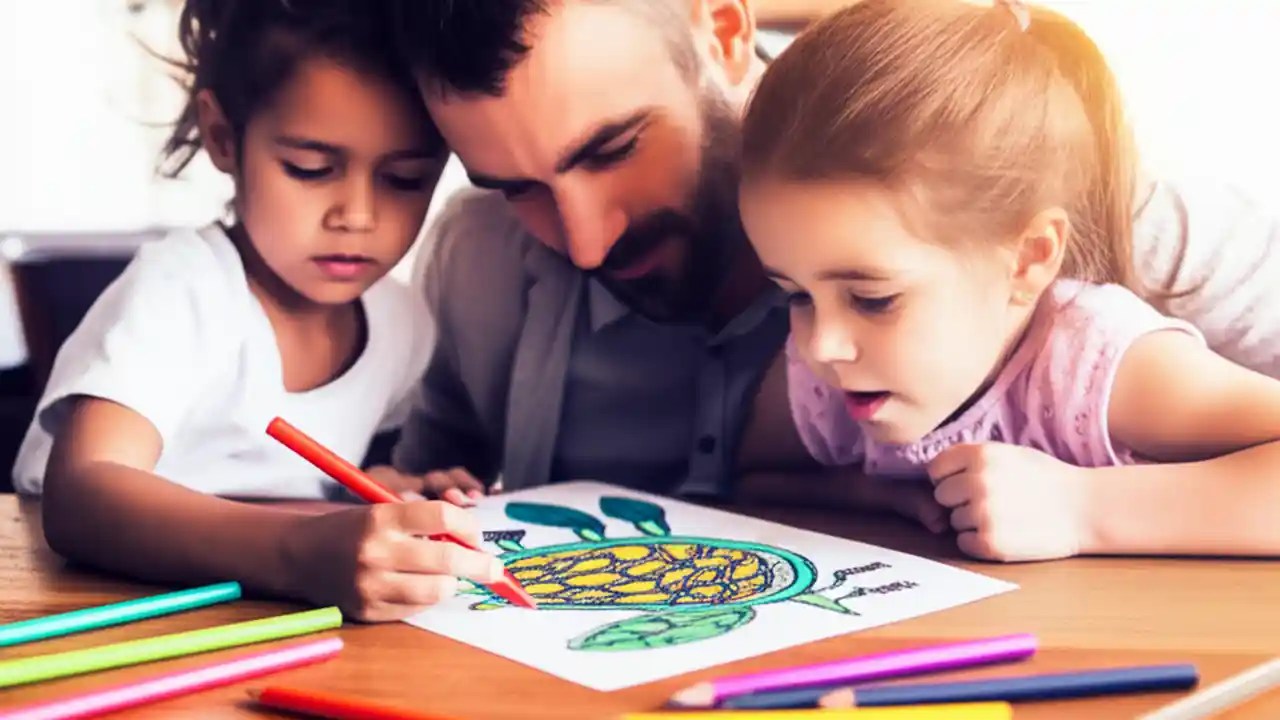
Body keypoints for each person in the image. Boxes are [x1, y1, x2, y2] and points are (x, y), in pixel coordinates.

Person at [382, 0, 1280, 519]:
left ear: (725, 32)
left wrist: (1094, 516)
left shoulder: (1006, 187)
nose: (584, 241)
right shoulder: (477, 264)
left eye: (612, 148)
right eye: (515, 186)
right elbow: (414, 478)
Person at [11, 0, 504, 622]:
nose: (357, 215)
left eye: (405, 178)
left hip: (244, 615)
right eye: (310, 169)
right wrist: (301, 555)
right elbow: (81, 495)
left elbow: (292, 484)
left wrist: (386, 493)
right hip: (78, 604)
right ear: (223, 138)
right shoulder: (185, 288)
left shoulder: (403, 323)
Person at [738, 0, 1280, 562]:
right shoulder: (832, 377)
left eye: (873, 299)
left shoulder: (1091, 363)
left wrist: (1082, 510)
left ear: (1027, 260)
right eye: (796, 295)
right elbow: (756, 475)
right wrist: (881, 494)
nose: (820, 343)